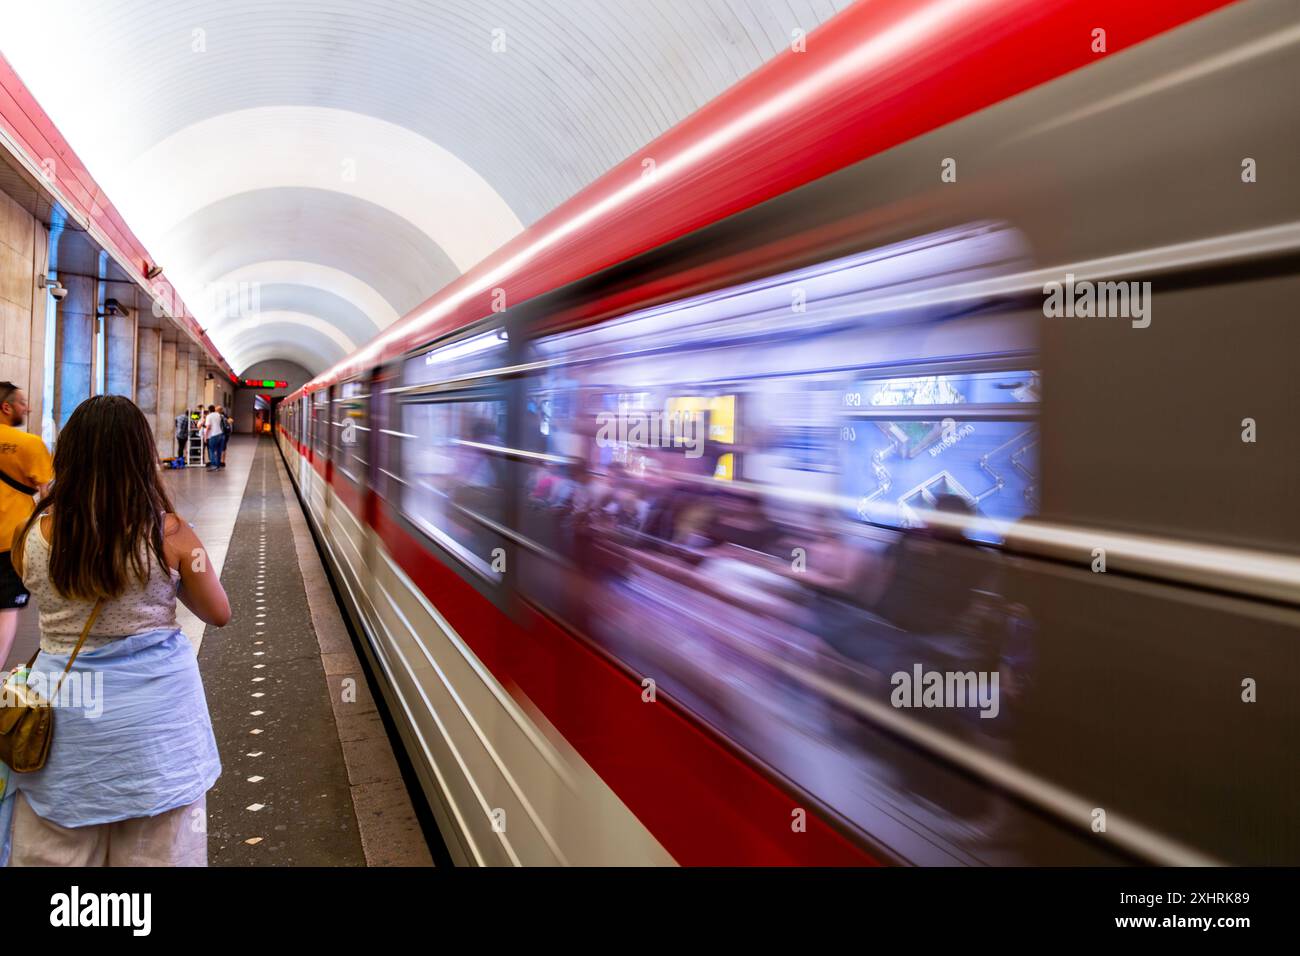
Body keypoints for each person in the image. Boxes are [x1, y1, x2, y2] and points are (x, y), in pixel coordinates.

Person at [6, 395, 230, 866]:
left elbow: (38, 586)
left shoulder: (32, 533)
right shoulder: (170, 534)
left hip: (62, 717)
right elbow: (218, 611)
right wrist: (166, 583)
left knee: (56, 852)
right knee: (159, 850)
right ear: (141, 454)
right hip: (155, 728)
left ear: (68, 455)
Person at [0, 383, 53, 667]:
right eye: (22, 402)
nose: (27, 407)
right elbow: (47, 493)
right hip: (9, 539)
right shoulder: (29, 444)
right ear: (6, 407)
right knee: (7, 609)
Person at [201, 404, 225, 469]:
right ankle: (218, 465)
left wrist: (205, 437)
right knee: (218, 450)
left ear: (209, 410)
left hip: (213, 435)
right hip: (220, 434)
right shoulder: (219, 415)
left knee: (211, 450)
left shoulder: (209, 416)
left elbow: (208, 427)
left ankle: (214, 465)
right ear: (214, 409)